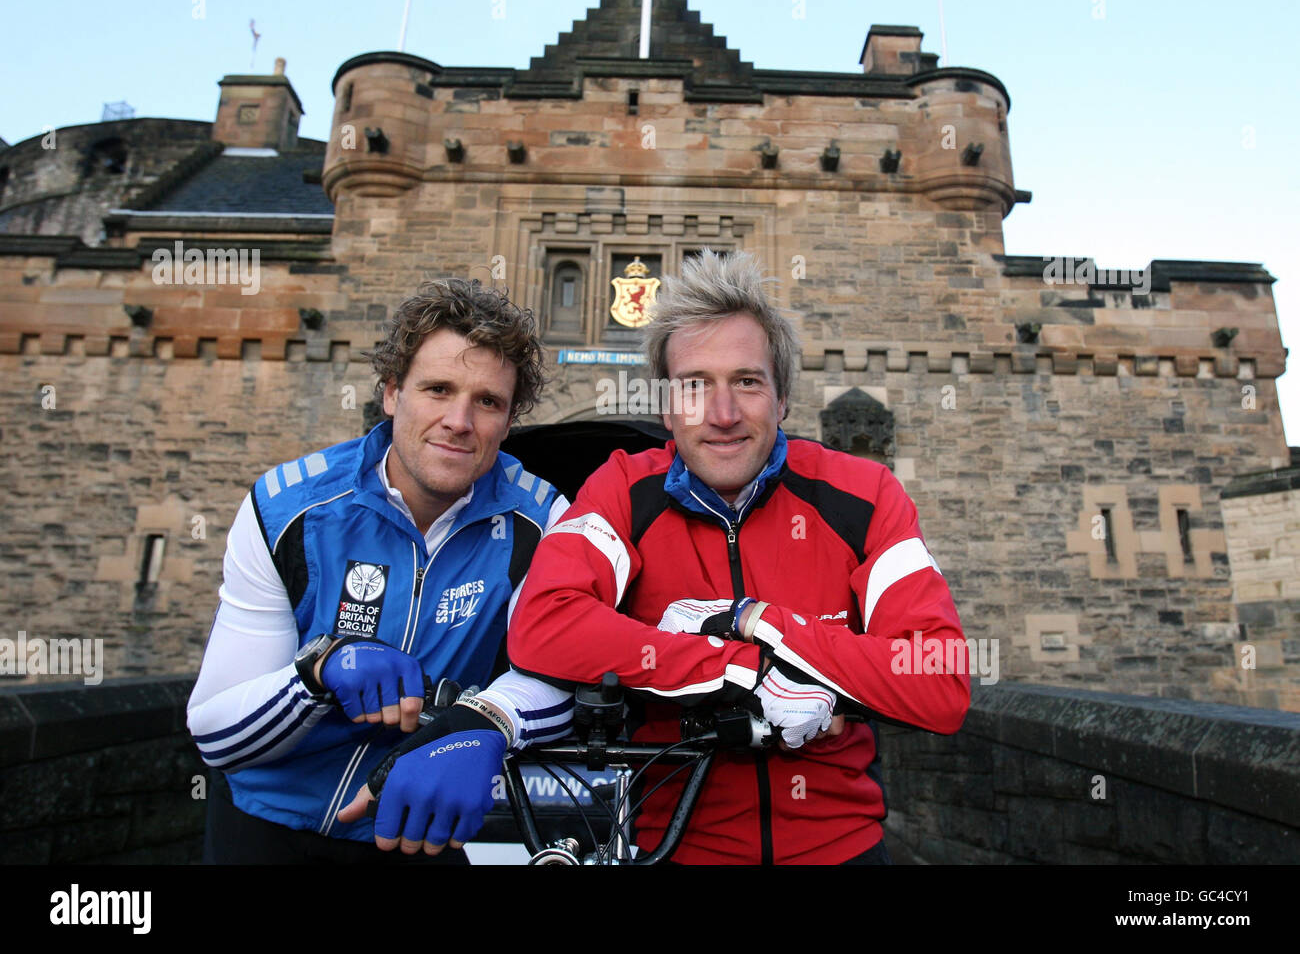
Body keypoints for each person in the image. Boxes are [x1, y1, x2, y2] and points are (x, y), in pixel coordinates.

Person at [506, 249, 971, 865]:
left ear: (781, 400)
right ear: (667, 407)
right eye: (696, 386)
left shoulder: (862, 495)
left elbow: (938, 680)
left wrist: (758, 623)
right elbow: (543, 625)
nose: (723, 416)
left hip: (844, 850)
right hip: (680, 849)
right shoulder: (622, 489)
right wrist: (738, 670)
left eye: (747, 383)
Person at [187, 278, 572, 864]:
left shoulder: (544, 520)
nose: (459, 420)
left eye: (487, 401)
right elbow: (216, 731)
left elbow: (567, 670)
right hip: (263, 828)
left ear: (509, 419)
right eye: (437, 389)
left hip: (418, 828)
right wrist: (316, 674)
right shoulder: (287, 506)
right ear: (392, 393)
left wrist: (489, 723)